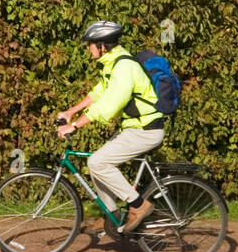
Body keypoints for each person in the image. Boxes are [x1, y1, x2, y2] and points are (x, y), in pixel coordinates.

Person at [56, 20, 165, 234]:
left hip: (146, 130)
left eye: (91, 44)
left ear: (103, 46)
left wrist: (75, 125)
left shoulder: (125, 67)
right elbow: (99, 93)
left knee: (96, 162)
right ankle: (111, 216)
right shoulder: (113, 64)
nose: (89, 48)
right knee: (97, 165)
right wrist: (70, 112)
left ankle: (139, 205)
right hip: (134, 128)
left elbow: (110, 104)